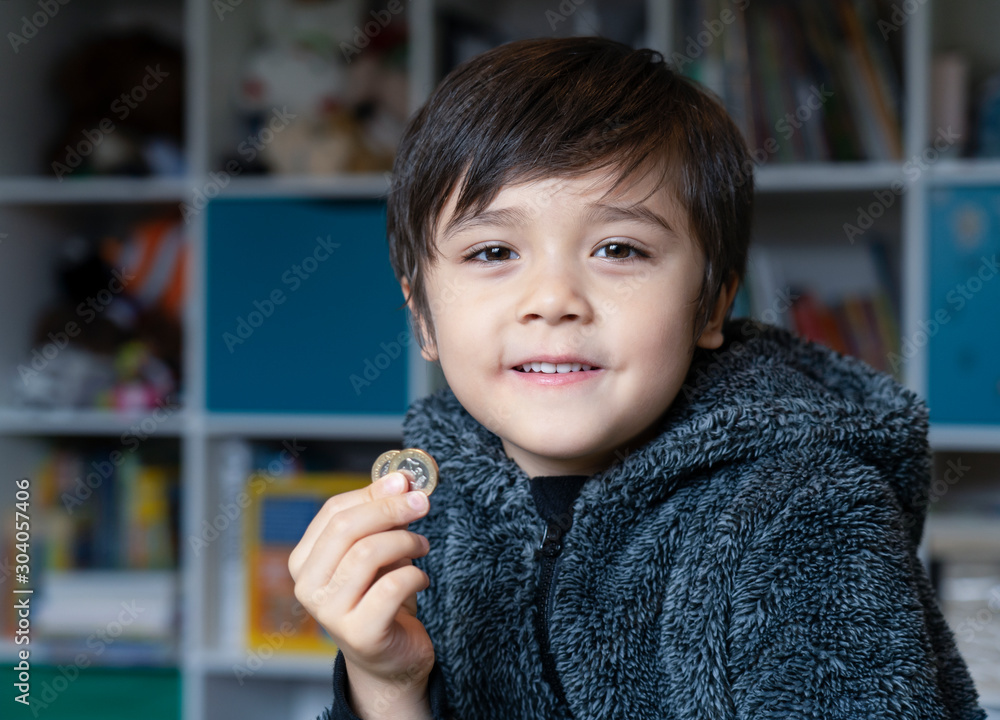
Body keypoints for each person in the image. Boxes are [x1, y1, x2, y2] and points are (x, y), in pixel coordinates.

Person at [289, 36, 987, 720]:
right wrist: (385, 684)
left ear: (710, 306)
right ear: (424, 320)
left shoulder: (805, 513)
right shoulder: (431, 513)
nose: (554, 298)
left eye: (618, 248)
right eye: (494, 250)